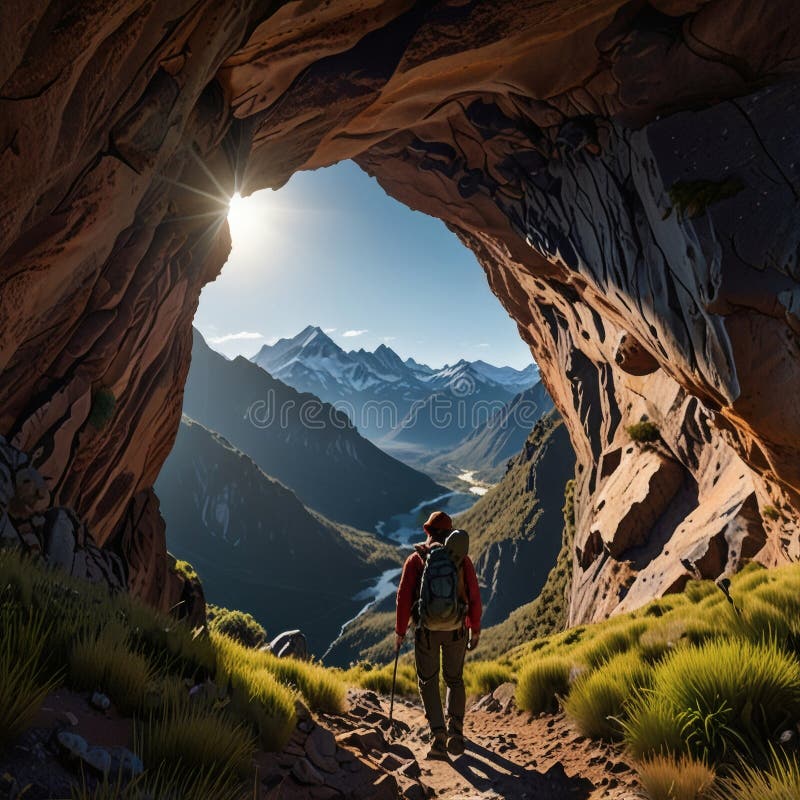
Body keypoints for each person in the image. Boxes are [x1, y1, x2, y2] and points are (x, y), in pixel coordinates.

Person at [395, 510, 482, 759]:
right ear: (451, 533)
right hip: (456, 630)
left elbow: (403, 598)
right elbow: (474, 596)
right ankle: (456, 730)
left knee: (428, 681)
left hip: (426, 632)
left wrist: (400, 632)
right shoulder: (462, 561)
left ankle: (438, 735)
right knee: (454, 679)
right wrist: (474, 628)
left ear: (428, 532)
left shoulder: (416, 560)